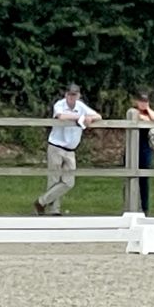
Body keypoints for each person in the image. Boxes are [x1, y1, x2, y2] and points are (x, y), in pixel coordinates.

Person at [34, 83, 101, 215]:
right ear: (66, 95)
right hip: (56, 146)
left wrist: (88, 118)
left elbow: (98, 116)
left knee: (69, 182)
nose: (72, 97)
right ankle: (54, 210)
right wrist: (79, 118)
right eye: (70, 94)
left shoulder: (81, 106)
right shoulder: (60, 104)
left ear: (78, 95)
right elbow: (61, 116)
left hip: (70, 150)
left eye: (74, 95)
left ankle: (41, 201)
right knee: (54, 179)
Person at [130, 91, 154, 214]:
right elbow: (144, 119)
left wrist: (147, 109)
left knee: (144, 178)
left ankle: (145, 207)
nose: (143, 104)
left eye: (146, 102)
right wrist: (145, 114)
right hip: (134, 146)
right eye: (141, 101)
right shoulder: (133, 112)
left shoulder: (148, 112)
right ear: (137, 102)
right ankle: (131, 205)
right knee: (131, 177)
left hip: (145, 147)